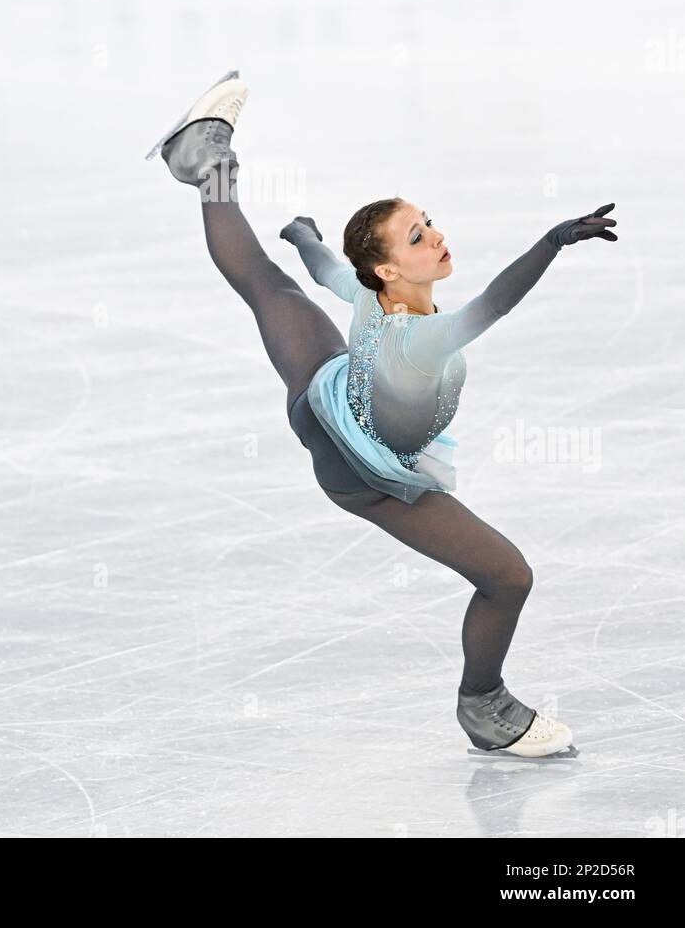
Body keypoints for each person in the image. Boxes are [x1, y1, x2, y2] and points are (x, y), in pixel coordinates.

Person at [146, 72, 617, 758]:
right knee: (508, 576)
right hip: (360, 470)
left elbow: (320, 269)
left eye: (427, 224)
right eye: (418, 237)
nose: (437, 238)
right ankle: (483, 706)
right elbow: (497, 303)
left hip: (322, 396)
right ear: (391, 271)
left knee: (263, 283)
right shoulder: (430, 337)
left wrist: (303, 234)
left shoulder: (368, 294)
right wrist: (551, 244)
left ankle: (208, 165)